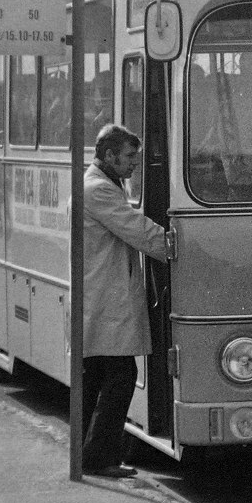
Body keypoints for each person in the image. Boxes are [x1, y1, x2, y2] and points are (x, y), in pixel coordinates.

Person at [81, 124, 167, 479]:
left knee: (99, 378)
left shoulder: (105, 185)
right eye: (130, 157)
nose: (135, 164)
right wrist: (179, 246)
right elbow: (137, 229)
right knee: (121, 374)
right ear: (109, 155)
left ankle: (89, 455)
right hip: (104, 299)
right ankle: (98, 458)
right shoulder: (99, 191)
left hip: (103, 297)